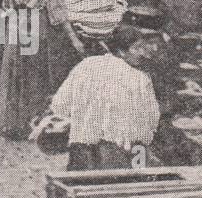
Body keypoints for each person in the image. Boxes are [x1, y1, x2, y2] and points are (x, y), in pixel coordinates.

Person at [0, 0, 80, 137]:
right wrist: (74, 39)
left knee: (14, 73)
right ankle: (33, 121)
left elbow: (6, 7)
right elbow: (59, 17)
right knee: (36, 74)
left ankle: (13, 123)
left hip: (16, 29)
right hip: (37, 31)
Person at [49, 26, 162, 171]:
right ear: (121, 51)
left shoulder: (85, 65)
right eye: (137, 48)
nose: (142, 53)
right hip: (116, 154)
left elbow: (59, 105)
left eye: (142, 47)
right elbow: (151, 120)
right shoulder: (140, 78)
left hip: (81, 152)